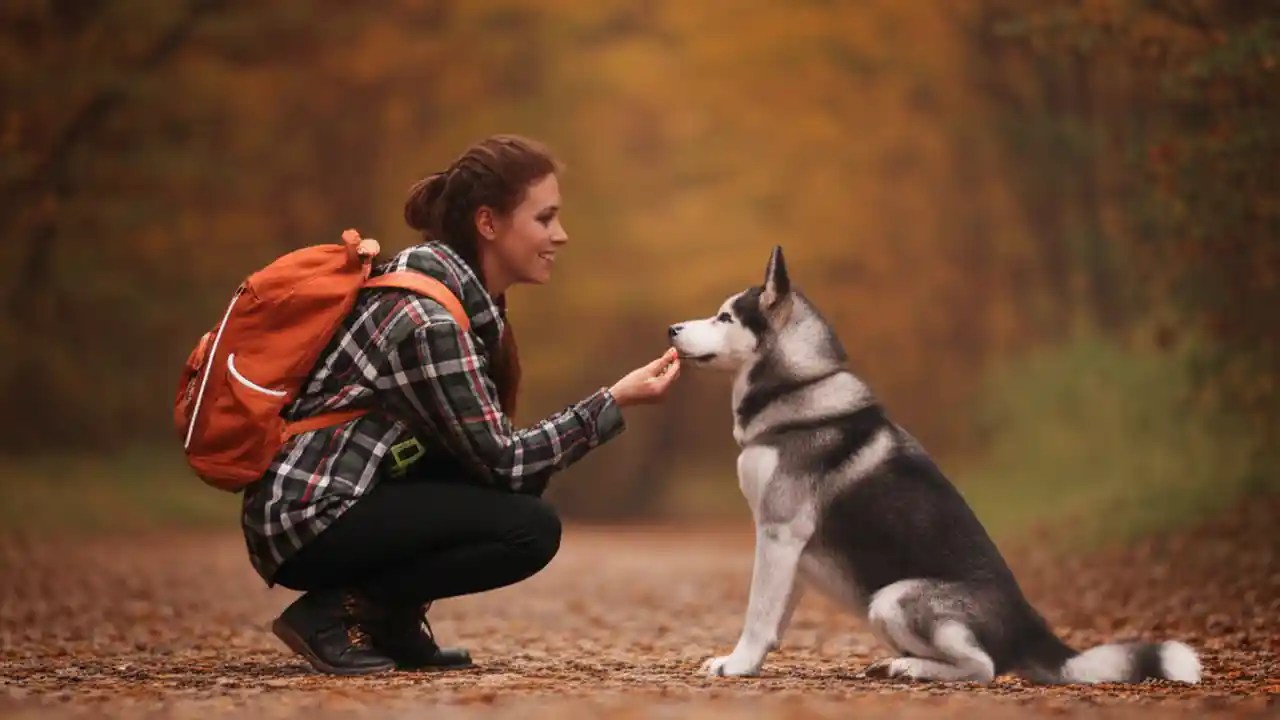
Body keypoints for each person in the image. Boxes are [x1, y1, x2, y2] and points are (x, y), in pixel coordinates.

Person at [241, 134, 682, 675]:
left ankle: (389, 621)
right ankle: (336, 613)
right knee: (529, 528)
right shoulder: (431, 320)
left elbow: (489, 459)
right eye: (544, 219)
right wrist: (613, 401)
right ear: (488, 223)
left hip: (334, 502)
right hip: (310, 516)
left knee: (502, 482)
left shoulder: (454, 296)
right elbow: (508, 461)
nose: (560, 236)